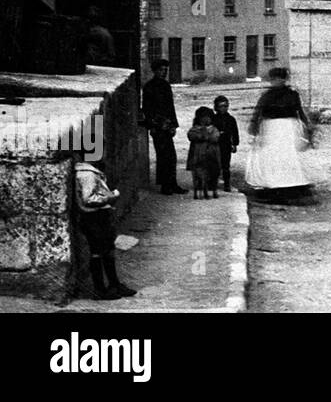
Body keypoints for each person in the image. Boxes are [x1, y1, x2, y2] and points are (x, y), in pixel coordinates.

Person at [245, 67, 314, 203]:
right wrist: (254, 128)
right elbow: (258, 112)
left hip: (287, 128)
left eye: (280, 79)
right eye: (275, 79)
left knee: (286, 154)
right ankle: (273, 184)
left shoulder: (292, 95)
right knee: (271, 155)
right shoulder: (267, 96)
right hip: (271, 128)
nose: (277, 82)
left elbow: (299, 111)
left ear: (284, 79)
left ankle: (289, 183)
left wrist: (307, 126)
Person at [73, 154, 136, 300]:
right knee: (98, 252)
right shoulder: (87, 174)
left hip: (99, 216)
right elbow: (88, 198)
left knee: (107, 250)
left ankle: (113, 284)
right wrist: (110, 197)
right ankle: (100, 289)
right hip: (94, 217)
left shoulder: (89, 171)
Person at [141, 58, 182, 194]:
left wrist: (173, 125)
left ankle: (173, 184)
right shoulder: (149, 87)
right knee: (163, 156)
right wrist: (151, 126)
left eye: (166, 70)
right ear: (155, 71)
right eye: (161, 70)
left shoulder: (166, 86)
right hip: (157, 126)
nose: (164, 72)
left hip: (167, 125)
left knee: (172, 156)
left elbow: (170, 107)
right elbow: (147, 109)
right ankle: (165, 186)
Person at [186, 107, 222, 199]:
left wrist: (207, 135)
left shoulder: (213, 129)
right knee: (199, 170)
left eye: (208, 117)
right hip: (198, 154)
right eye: (203, 117)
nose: (206, 120)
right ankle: (200, 186)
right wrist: (202, 135)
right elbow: (191, 135)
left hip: (211, 154)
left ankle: (211, 187)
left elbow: (216, 137)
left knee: (213, 170)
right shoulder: (195, 129)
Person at [212, 95, 240, 192]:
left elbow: (235, 132)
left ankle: (227, 184)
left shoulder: (231, 119)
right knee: (215, 165)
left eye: (225, 106)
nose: (223, 108)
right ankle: (213, 183)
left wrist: (235, 144)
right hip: (215, 144)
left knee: (226, 165)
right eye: (221, 106)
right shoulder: (213, 119)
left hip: (226, 144)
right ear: (216, 107)